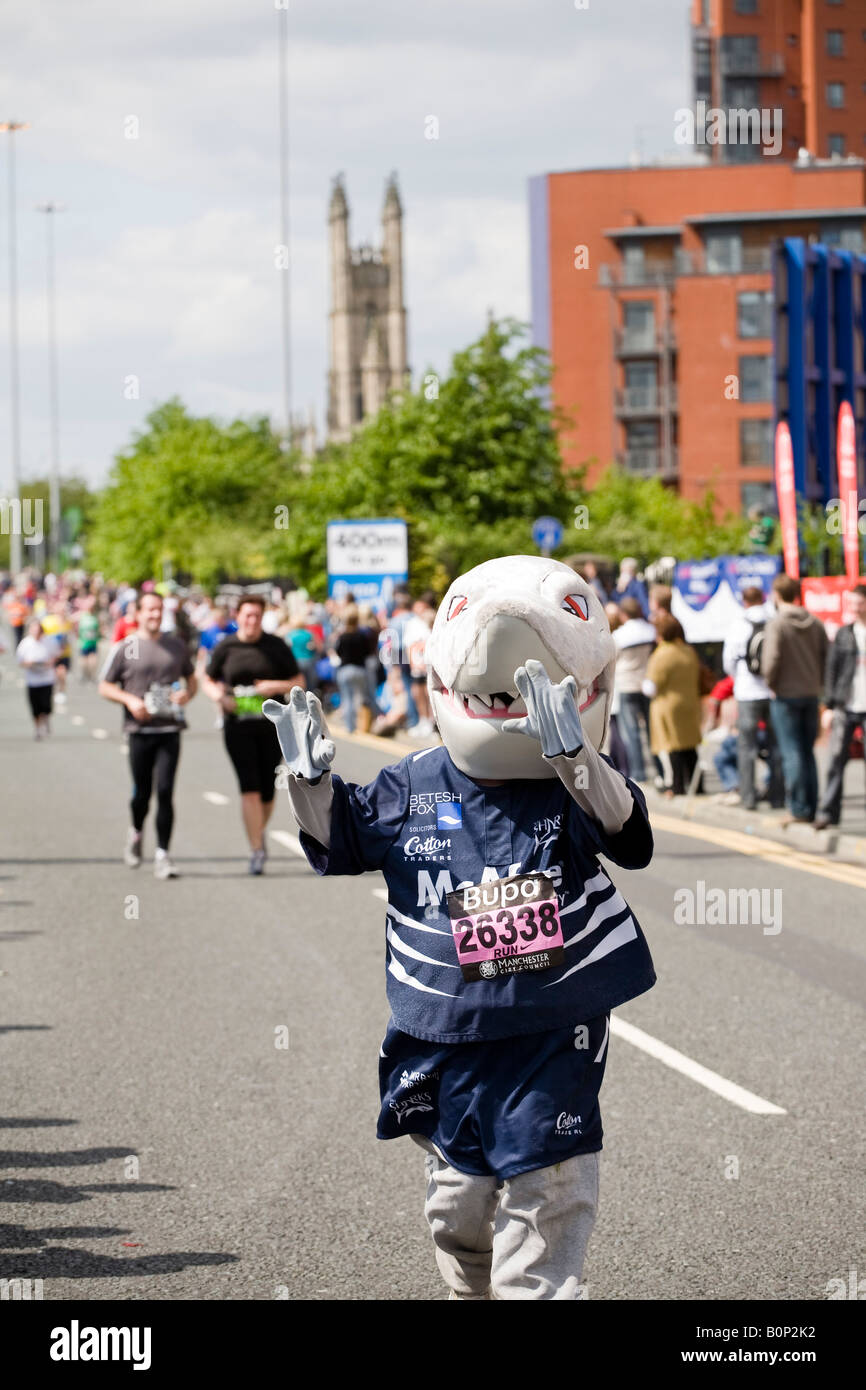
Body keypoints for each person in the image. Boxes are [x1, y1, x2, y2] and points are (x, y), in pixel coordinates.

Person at [265, 555, 655, 1301]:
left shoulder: (574, 786)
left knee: (548, 1201)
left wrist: (574, 756)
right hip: (441, 1033)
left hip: (552, 1033)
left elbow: (627, 832)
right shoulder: (412, 784)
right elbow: (342, 839)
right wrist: (309, 784)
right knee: (458, 1208)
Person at [99, 592, 197, 879]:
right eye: (150, 610)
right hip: (139, 730)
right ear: (138, 613)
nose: (155, 615)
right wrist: (130, 701)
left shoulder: (176, 645)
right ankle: (136, 831)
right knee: (142, 793)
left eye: (159, 610)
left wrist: (185, 696)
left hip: (170, 729)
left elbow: (192, 680)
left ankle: (163, 855)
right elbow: (105, 686)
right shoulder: (125, 647)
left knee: (165, 792)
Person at [203, 594, 302, 874]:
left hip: (273, 727)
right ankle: (256, 848)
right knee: (249, 789)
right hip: (238, 726)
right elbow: (208, 678)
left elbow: (299, 681)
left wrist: (274, 686)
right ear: (238, 617)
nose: (252, 621)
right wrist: (220, 698)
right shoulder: (226, 646)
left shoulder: (276, 646)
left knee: (268, 790)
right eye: (247, 616)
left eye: (257, 616)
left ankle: (256, 831)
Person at [761, 574, 828, 824]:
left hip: (786, 695)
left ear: (777, 595)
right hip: (811, 693)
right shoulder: (816, 623)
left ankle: (798, 809)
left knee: (792, 752)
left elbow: (771, 661)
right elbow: (825, 658)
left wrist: (772, 684)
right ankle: (810, 806)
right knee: (807, 752)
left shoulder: (777, 624)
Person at [722, 586, 784, 812]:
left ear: (744, 600)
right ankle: (778, 796)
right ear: (763, 598)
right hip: (772, 691)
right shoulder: (773, 620)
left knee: (746, 746)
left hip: (747, 692)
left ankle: (748, 798)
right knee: (776, 744)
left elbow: (728, 661)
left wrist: (739, 678)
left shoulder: (738, 624)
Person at [814, 583, 866, 830]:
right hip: (846, 704)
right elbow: (832, 670)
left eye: (860, 603)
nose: (855, 608)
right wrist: (829, 706)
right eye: (852, 603)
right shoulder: (844, 634)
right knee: (835, 759)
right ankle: (828, 813)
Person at [643, 615, 702, 796]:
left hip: (668, 705)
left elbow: (651, 686)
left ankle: (677, 787)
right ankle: (697, 785)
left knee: (673, 747)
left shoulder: (661, 654)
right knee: (690, 746)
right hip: (689, 702)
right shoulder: (688, 651)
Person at [611, 597, 656, 781]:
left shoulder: (619, 636)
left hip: (626, 684)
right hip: (646, 683)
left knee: (632, 732)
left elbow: (612, 659)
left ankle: (639, 772)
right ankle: (659, 768)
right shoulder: (650, 630)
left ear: (623, 615)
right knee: (651, 729)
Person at [332, 605, 376, 735]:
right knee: (363, 697)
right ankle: (366, 724)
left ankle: (350, 726)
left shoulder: (342, 636)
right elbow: (368, 652)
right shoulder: (362, 636)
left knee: (347, 698)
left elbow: (338, 652)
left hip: (345, 669)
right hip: (360, 669)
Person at [16, 617, 57, 739]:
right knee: (35, 707)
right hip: (32, 680)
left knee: (46, 705)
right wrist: (28, 663)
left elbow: (56, 655)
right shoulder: (25, 643)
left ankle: (45, 722)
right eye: (33, 629)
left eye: (38, 630)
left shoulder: (49, 641)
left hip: (47, 678)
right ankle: (38, 728)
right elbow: (20, 661)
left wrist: (49, 662)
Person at [75, 594, 102, 681]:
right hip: (88, 640)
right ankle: (90, 674)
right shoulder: (94, 616)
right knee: (89, 657)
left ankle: (87, 674)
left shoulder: (83, 615)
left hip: (86, 640)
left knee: (86, 657)